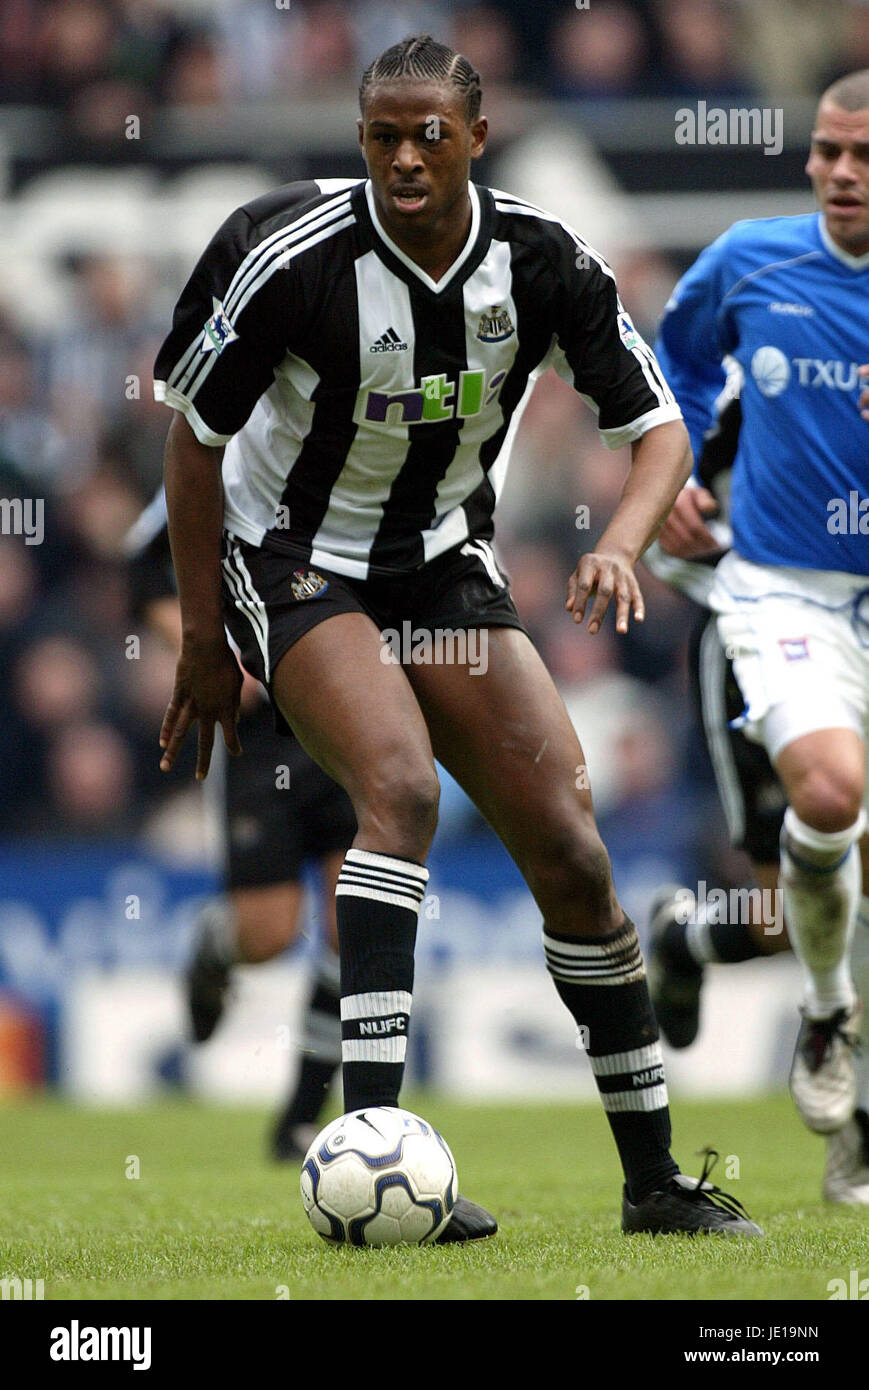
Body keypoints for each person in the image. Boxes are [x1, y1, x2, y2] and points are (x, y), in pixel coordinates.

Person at [153, 34, 759, 1240]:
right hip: (294, 560)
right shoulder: (291, 258)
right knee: (397, 786)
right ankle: (372, 1156)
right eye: (382, 135)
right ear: (361, 140)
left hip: (440, 567)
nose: (405, 158)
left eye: (431, 133)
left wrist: (619, 542)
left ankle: (650, 1184)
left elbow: (657, 431)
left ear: (475, 137)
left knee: (573, 854)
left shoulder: (540, 259)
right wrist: (201, 639)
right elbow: (191, 442)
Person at [653, 70, 869, 1152]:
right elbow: (669, 371)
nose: (838, 174)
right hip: (777, 596)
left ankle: (699, 943)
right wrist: (672, 477)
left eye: (861, 158)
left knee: (813, 894)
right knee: (827, 814)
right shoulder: (752, 263)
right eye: (826, 151)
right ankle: (821, 1017)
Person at [643, 371, 869, 1205]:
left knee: (846, 906)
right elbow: (665, 482)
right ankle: (687, 941)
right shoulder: (764, 366)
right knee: (793, 916)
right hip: (766, 655)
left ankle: (856, 1142)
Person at [125, 488, 357, 1161]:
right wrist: (202, 646)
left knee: (353, 924)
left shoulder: (348, 454)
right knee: (268, 935)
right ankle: (217, 944)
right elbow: (138, 565)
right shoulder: (220, 458)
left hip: (342, 716)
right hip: (255, 740)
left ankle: (300, 1117)